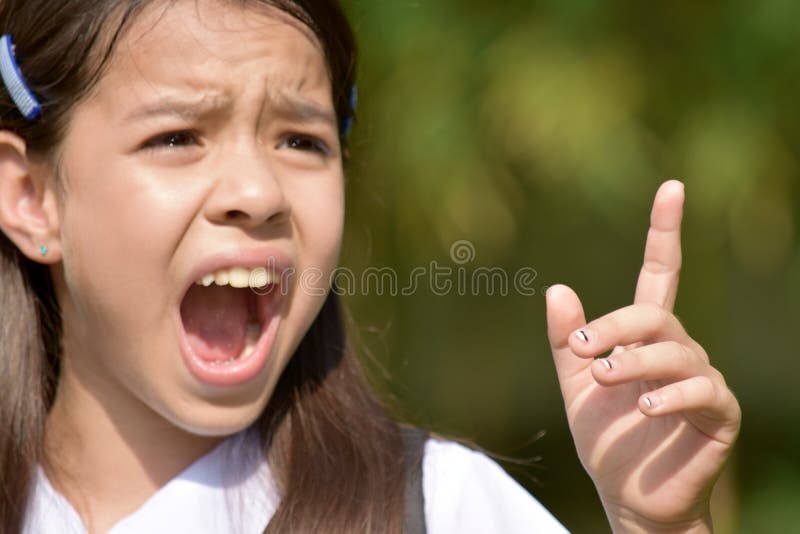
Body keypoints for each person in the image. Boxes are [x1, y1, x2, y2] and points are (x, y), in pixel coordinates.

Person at [0, 1, 740, 532]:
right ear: (30, 196)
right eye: (177, 136)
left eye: (301, 140)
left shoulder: (442, 509)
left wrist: (661, 527)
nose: (259, 194)